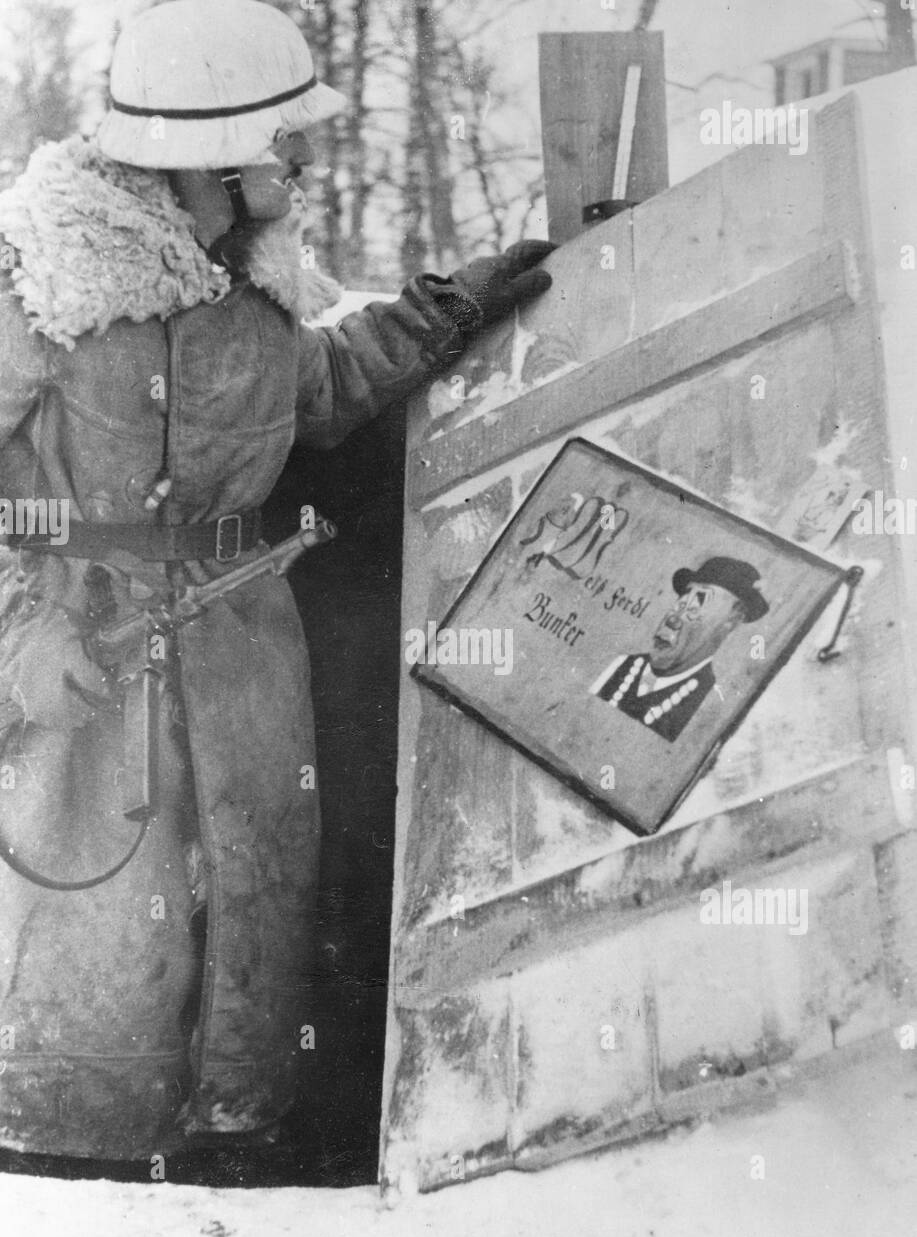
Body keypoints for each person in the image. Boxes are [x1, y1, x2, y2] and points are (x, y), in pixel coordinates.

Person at [0, 0, 553, 1162]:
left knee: (258, 892)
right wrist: (21, 631)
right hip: (84, 654)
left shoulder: (253, 284)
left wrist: (442, 315)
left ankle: (236, 1144)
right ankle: (66, 1157)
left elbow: (323, 387)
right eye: (276, 142)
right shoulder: (34, 287)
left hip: (243, 639)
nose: (293, 161)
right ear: (208, 160)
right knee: (96, 931)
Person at [590, 557, 769, 743]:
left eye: (698, 602)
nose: (675, 616)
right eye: (682, 600)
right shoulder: (623, 665)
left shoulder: (706, 702)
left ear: (732, 618)